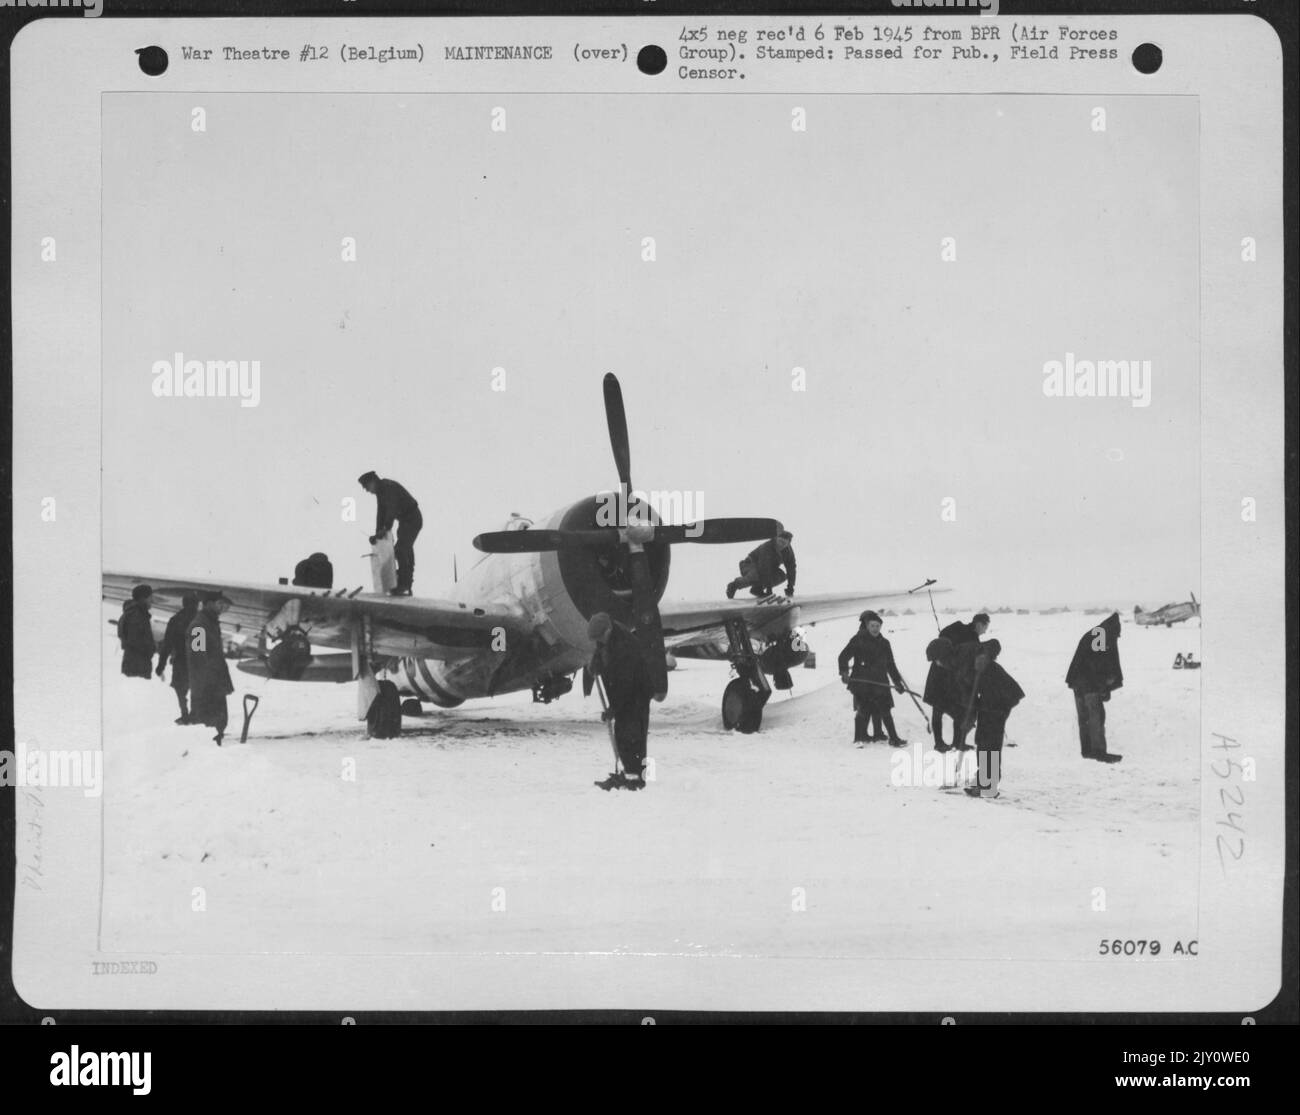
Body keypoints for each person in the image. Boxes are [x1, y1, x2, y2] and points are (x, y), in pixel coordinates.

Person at [586, 612, 655, 791]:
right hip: (625, 693)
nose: (598, 641)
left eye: (600, 638)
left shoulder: (625, 646)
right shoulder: (608, 635)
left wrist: (613, 709)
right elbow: (601, 650)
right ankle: (629, 775)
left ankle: (637, 780)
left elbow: (624, 684)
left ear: (607, 630)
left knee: (632, 737)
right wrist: (595, 662)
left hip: (636, 694)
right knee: (623, 735)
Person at [964, 639, 1025, 799]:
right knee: (984, 746)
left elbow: (1016, 692)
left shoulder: (993, 670)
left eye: (983, 654)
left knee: (990, 747)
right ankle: (983, 782)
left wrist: (1002, 709)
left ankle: (989, 786)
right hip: (988, 712)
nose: (980, 657)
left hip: (995, 714)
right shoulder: (984, 668)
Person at [838, 610, 907, 746]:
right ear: (867, 626)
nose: (875, 629)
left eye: (877, 626)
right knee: (863, 709)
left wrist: (897, 682)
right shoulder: (858, 640)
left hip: (880, 681)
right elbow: (843, 656)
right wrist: (844, 672)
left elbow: (890, 664)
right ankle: (859, 738)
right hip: (863, 682)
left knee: (885, 710)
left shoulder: (885, 643)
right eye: (872, 626)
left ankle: (893, 738)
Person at [923, 613, 989, 751]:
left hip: (951, 674)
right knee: (941, 708)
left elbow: (942, 634)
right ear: (979, 624)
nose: (986, 630)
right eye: (985, 626)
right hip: (942, 672)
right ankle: (941, 743)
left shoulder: (957, 626)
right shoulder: (972, 639)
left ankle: (955, 743)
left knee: (954, 709)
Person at [1065, 612, 1124, 764]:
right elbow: (1098, 664)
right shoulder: (1102, 636)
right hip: (1089, 683)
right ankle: (1098, 752)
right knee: (1095, 716)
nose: (1117, 637)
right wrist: (1103, 685)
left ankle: (1087, 750)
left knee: (1084, 718)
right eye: (1117, 633)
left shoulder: (1095, 633)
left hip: (1077, 682)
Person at [358, 471, 422, 596]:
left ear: (373, 482)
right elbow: (381, 513)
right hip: (405, 521)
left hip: (413, 519)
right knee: (403, 549)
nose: (366, 490)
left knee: (401, 549)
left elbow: (392, 508)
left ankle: (405, 583)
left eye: (366, 487)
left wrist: (386, 528)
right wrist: (377, 535)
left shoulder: (388, 487)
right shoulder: (380, 492)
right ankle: (404, 581)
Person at [187, 591, 235, 746]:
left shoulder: (211, 623)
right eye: (219, 604)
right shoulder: (199, 626)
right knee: (206, 724)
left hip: (214, 683)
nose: (222, 608)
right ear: (208, 604)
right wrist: (208, 683)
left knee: (218, 722)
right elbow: (197, 657)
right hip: (206, 686)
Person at [156, 592, 199, 724]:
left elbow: (167, 644)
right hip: (196, 660)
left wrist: (161, 665)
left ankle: (185, 714)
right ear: (197, 605)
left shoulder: (175, 620)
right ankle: (195, 714)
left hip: (180, 660)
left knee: (180, 688)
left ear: (183, 604)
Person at [726, 531, 796, 599]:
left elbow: (791, 569)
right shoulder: (767, 547)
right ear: (776, 539)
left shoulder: (788, 552)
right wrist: (769, 589)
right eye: (780, 541)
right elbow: (764, 567)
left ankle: (757, 589)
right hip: (749, 565)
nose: (781, 545)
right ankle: (734, 585)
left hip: (767, 568)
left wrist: (790, 587)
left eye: (784, 543)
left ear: (788, 544)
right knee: (755, 576)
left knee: (781, 576)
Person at [118, 584, 156, 679]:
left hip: (133, 664)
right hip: (137, 666)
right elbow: (136, 641)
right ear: (143, 598)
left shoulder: (131, 613)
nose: (152, 600)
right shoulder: (137, 615)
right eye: (150, 597)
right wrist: (151, 648)